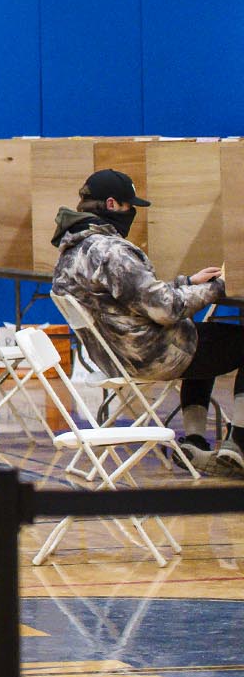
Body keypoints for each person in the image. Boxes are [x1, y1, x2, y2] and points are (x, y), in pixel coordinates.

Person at [50, 169, 239, 473]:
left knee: (205, 337)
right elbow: (165, 310)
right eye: (129, 205)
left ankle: (194, 441)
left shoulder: (72, 252)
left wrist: (188, 281)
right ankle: (238, 443)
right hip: (151, 353)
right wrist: (219, 286)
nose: (132, 212)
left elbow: (130, 297)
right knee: (214, 339)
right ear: (112, 204)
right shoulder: (110, 250)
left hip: (114, 356)